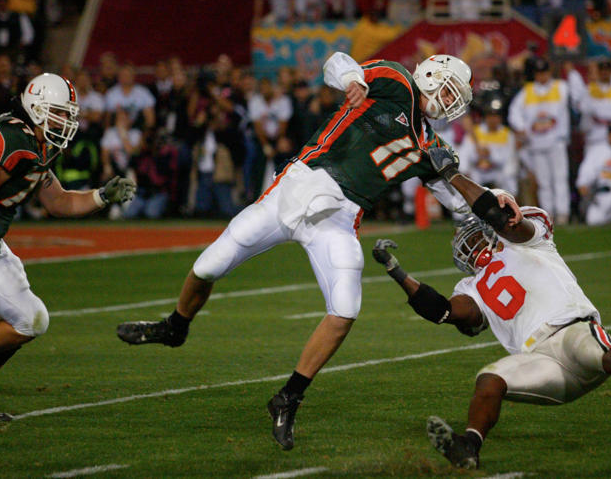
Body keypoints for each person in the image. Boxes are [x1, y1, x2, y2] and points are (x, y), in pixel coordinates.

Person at [116, 52, 478, 450]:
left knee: (345, 309)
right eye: (448, 89)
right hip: (297, 187)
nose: (451, 101)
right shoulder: (397, 83)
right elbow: (338, 62)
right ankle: (175, 327)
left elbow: (463, 203)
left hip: (339, 217)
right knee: (209, 265)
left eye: (456, 95)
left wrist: (487, 194)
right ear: (428, 76)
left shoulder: (432, 146)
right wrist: (352, 80)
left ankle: (288, 397)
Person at [370, 207, 611, 470]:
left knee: (610, 357)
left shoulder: (529, 243)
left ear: (493, 228)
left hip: (572, 329)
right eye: (464, 241)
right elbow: (444, 311)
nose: (469, 242)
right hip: (539, 359)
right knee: (490, 378)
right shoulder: (470, 286)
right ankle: (468, 446)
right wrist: (395, 270)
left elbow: (522, 220)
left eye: (475, 233)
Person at [0, 73, 135, 421]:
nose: (64, 121)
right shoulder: (11, 138)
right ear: (36, 107)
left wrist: (102, 196)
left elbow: (58, 202)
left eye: (67, 114)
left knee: (31, 319)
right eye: (58, 112)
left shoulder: (36, 143)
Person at [508, 57, 570, 224]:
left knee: (560, 177)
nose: (542, 76)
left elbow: (578, 94)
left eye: (545, 72)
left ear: (549, 72)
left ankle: (563, 212)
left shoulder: (561, 87)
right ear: (535, 74)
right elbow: (513, 112)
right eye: (539, 73)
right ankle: (548, 214)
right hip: (536, 142)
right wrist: (521, 128)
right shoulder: (527, 91)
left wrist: (570, 69)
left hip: (556, 140)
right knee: (543, 181)